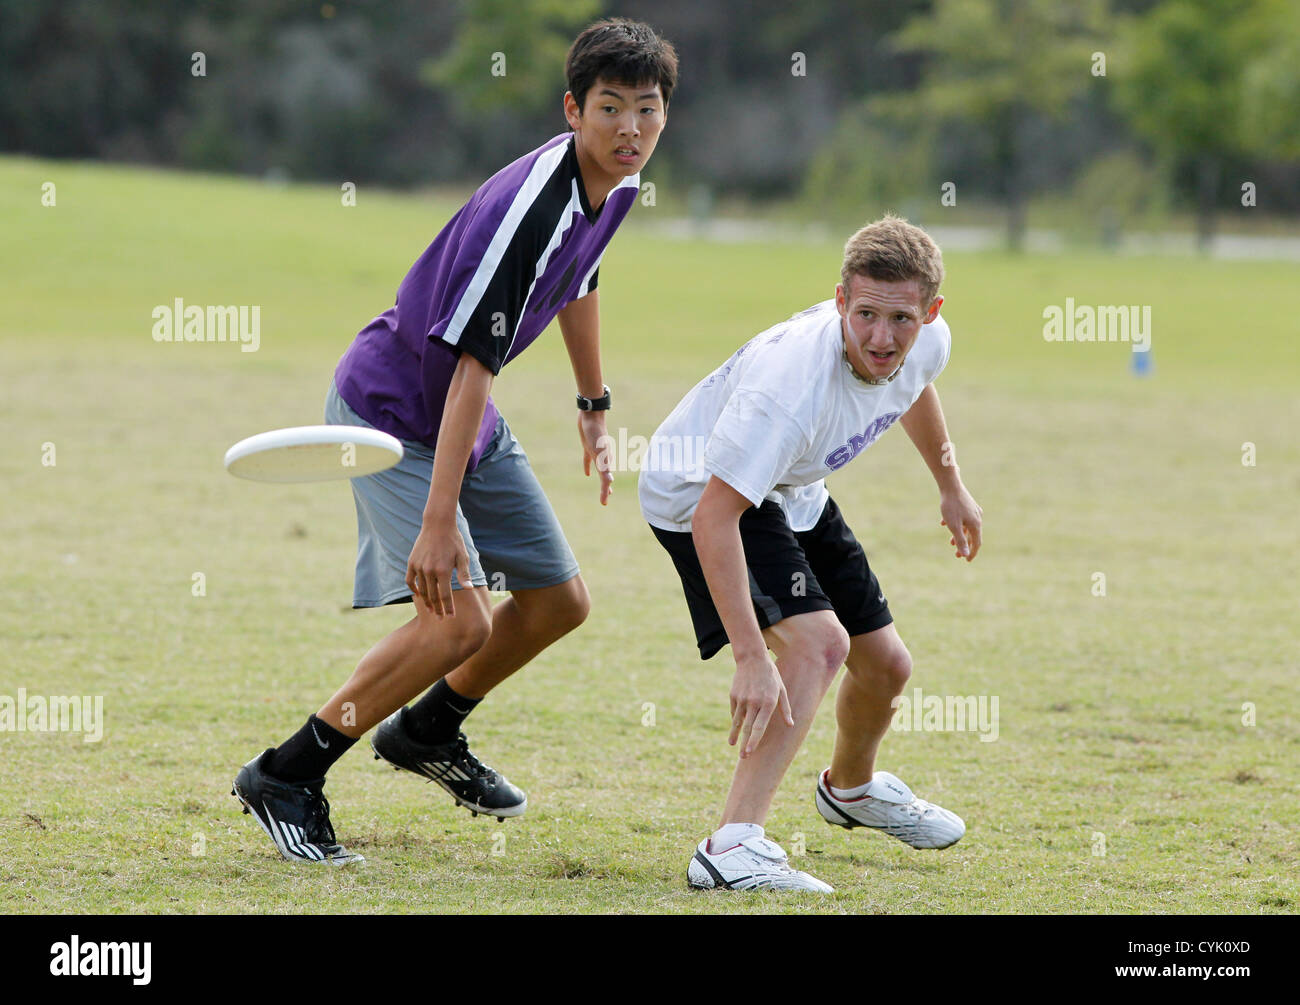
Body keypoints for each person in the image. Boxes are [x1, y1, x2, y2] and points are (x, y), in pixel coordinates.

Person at [232, 18, 677, 865]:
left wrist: (593, 399)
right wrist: (440, 521)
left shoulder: (616, 183)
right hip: (394, 414)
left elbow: (579, 278)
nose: (630, 129)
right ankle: (287, 774)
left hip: (469, 417)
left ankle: (428, 731)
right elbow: (475, 362)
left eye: (646, 110)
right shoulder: (532, 207)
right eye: (610, 108)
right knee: (457, 624)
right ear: (572, 110)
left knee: (557, 601)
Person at [637, 216, 982, 891]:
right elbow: (715, 516)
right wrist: (750, 655)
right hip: (698, 491)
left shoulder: (927, 342)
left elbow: (913, 385)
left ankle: (850, 789)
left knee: (886, 664)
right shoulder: (788, 389)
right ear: (838, 302)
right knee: (819, 645)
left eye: (901, 319)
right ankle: (731, 845)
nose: (882, 337)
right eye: (865, 315)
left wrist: (950, 484)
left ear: (930, 313)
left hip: (792, 484)